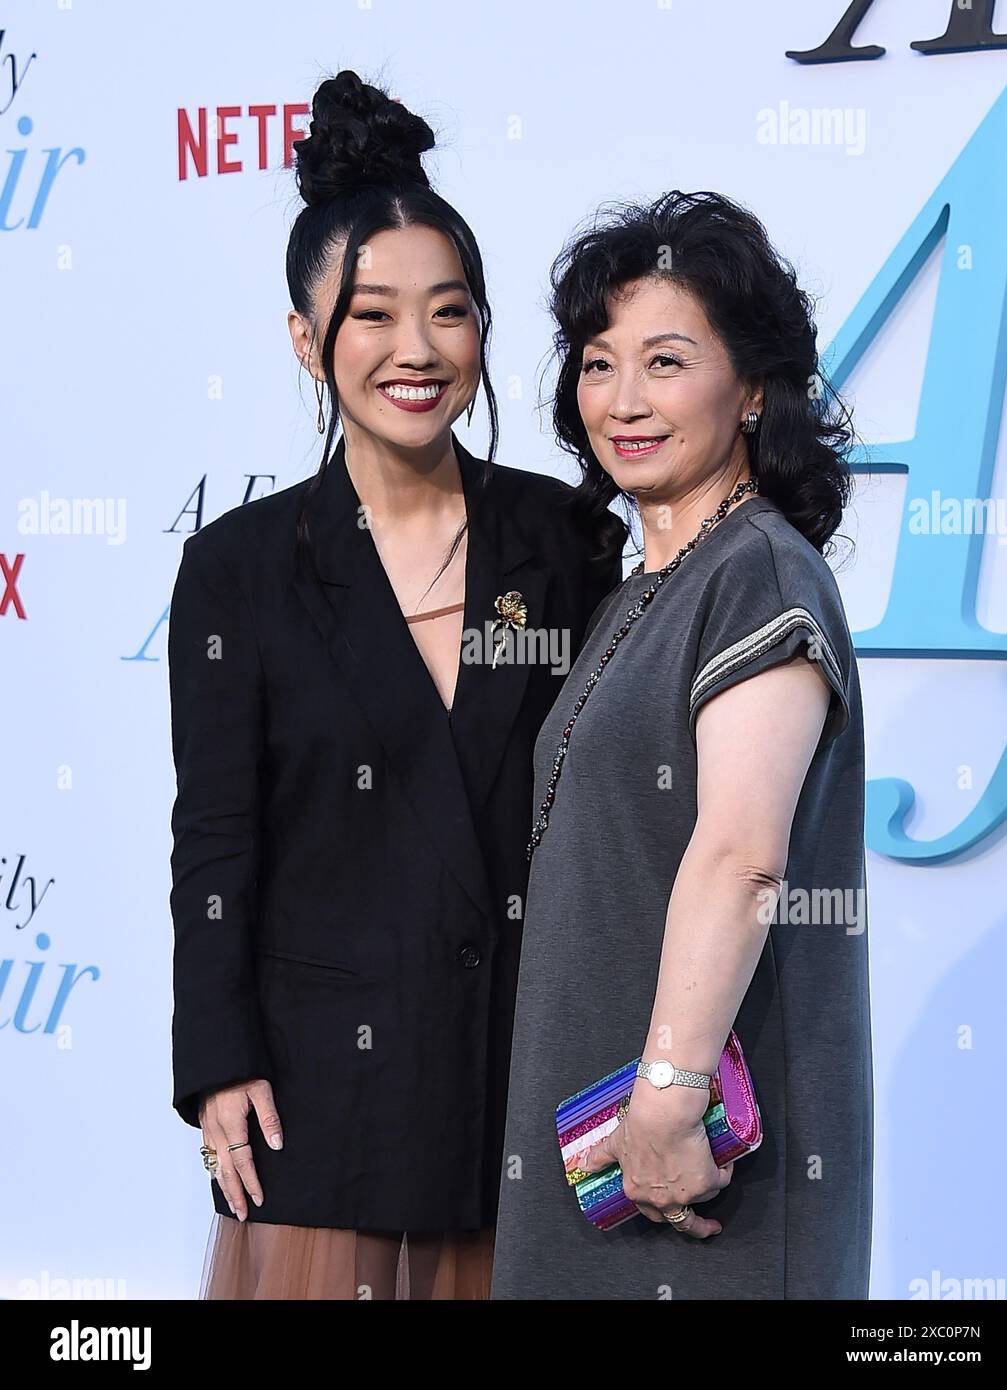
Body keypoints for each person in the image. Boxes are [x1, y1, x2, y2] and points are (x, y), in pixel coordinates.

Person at [167, 70, 625, 1301]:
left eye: (449, 311)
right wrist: (216, 1060)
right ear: (306, 340)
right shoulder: (239, 571)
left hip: (521, 1079)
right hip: (325, 1093)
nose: (415, 351)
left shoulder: (567, 538)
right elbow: (214, 838)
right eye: (371, 316)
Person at [490, 190, 874, 1300]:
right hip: (602, 1146)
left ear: (751, 387)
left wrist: (665, 1091)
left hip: (691, 1154)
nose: (621, 399)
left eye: (664, 361)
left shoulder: (755, 570)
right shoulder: (637, 595)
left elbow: (741, 854)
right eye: (598, 362)